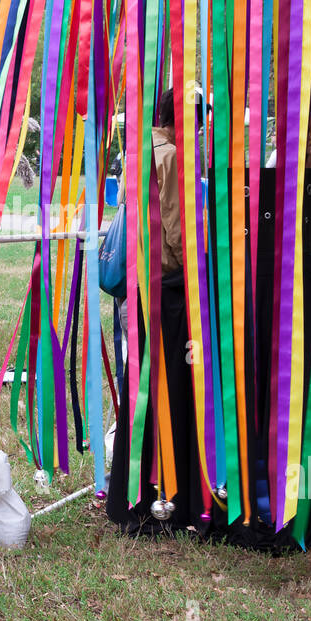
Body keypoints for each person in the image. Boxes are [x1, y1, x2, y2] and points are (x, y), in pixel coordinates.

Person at [106, 89, 201, 535]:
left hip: (136, 285)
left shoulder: (138, 151)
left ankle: (130, 500)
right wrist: (197, 272)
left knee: (139, 392)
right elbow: (177, 228)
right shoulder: (172, 156)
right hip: (167, 289)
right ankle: (165, 501)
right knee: (170, 392)